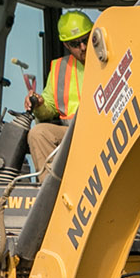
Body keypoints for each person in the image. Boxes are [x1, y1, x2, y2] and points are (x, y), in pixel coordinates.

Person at [27, 11, 93, 174]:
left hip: (109, 130)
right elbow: (49, 108)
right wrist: (40, 104)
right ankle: (52, 187)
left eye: (86, 40)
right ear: (66, 46)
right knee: (38, 133)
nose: (83, 47)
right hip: (74, 134)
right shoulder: (60, 69)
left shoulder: (115, 58)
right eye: (75, 44)